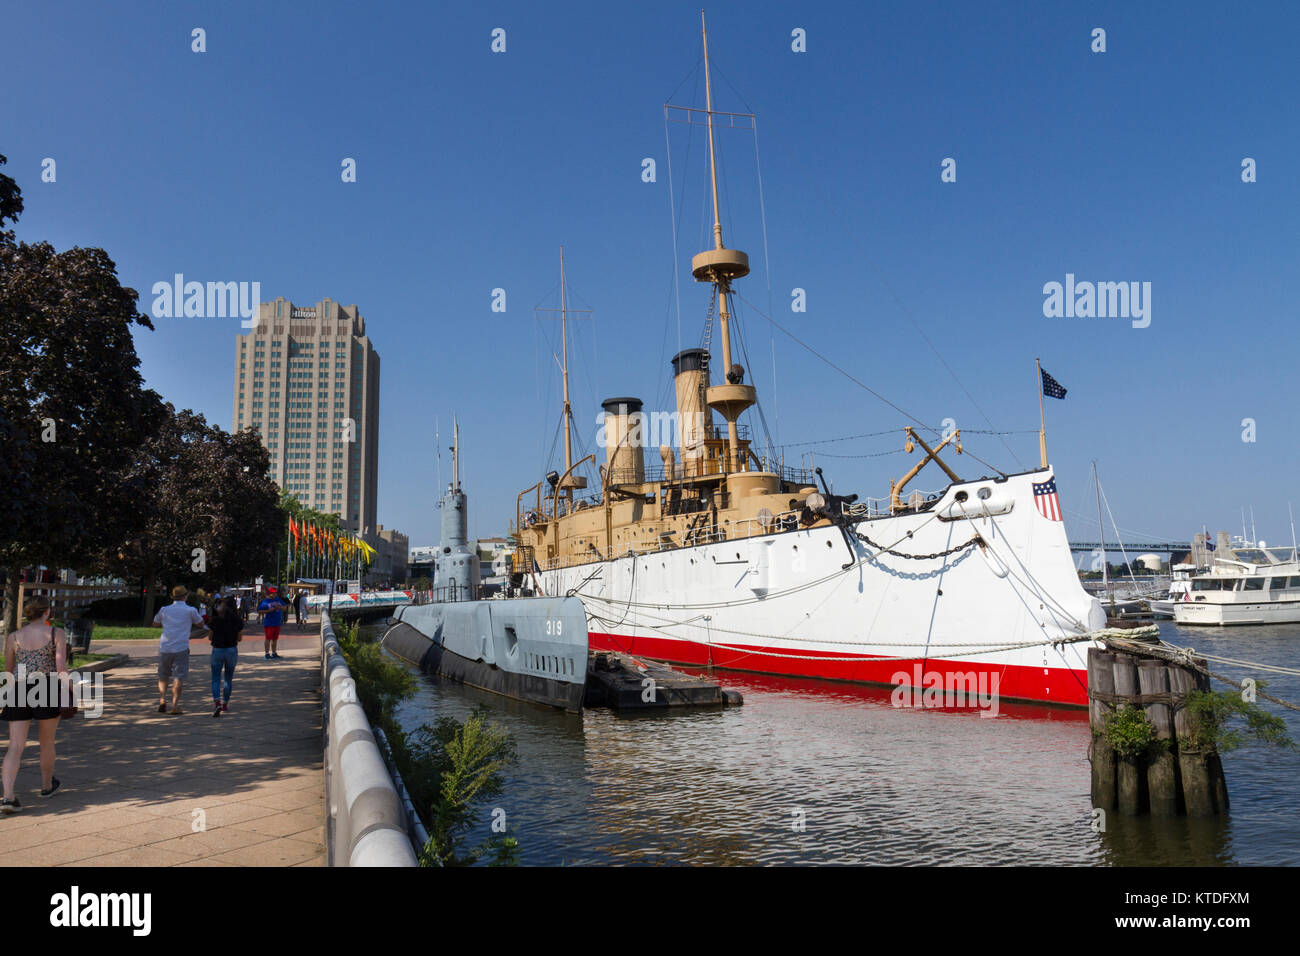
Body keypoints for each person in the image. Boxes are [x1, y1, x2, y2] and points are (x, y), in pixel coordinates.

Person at [1, 596, 69, 812]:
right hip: (46, 687)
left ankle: (8, 796)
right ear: (47, 612)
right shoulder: (55, 633)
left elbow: (8, 670)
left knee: (15, 746)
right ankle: (47, 786)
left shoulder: (14, 637)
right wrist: (69, 691)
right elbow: (61, 667)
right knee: (47, 742)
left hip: (20, 688)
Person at [152, 585, 206, 714]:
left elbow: (155, 623)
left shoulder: (164, 609)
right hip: (181, 647)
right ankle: (174, 706)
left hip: (165, 646)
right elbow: (201, 624)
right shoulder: (190, 610)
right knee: (178, 676)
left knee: (163, 675)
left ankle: (162, 700)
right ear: (185, 596)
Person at [207, 597, 242, 717]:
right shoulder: (237, 620)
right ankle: (225, 703)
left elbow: (210, 637)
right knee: (228, 678)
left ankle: (217, 702)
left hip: (217, 650)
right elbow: (239, 638)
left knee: (216, 678)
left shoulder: (215, 619)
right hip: (231, 650)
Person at [258, 587, 289, 660]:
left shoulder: (278, 599)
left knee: (275, 639)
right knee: (268, 638)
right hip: (269, 623)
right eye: (273, 592)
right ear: (269, 593)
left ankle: (274, 653)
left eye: (275, 592)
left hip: (277, 623)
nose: (274, 594)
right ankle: (266, 654)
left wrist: (280, 607)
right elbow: (259, 611)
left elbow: (285, 608)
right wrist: (269, 610)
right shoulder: (266, 601)